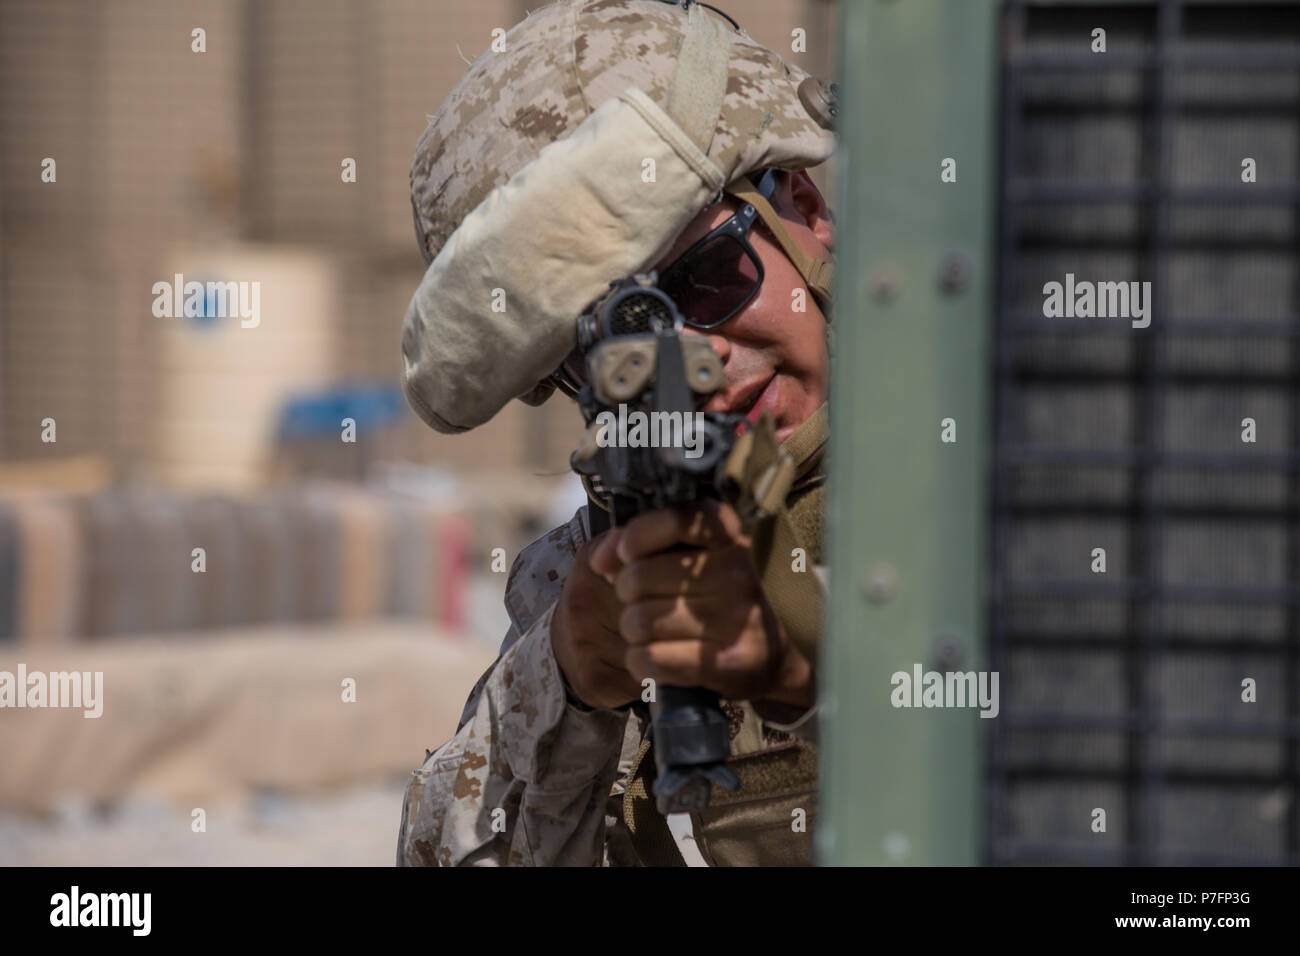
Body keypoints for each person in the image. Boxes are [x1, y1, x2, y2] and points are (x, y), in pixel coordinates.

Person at [396, 0, 836, 866]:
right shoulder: (596, 570)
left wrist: (802, 676)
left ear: (806, 209)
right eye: (603, 353)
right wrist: (569, 685)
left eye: (709, 278)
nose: (696, 362)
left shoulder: (1008, 454)